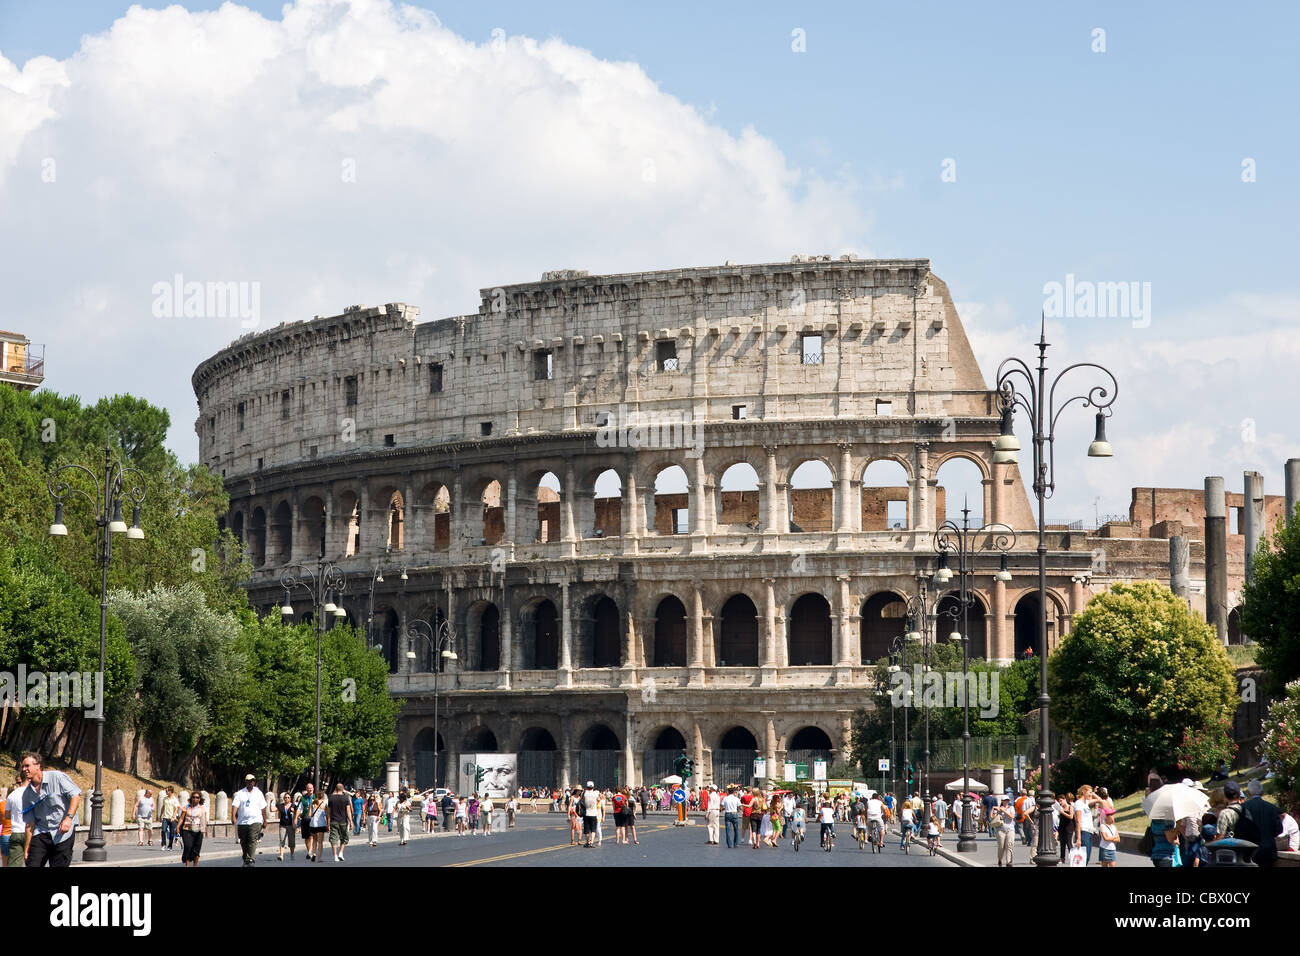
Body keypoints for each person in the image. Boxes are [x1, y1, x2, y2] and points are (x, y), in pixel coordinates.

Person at [20, 752, 81, 868]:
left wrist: (68, 819)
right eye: (23, 766)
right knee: (32, 864)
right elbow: (29, 824)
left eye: (27, 766)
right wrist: (27, 847)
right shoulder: (27, 795)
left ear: (38, 766)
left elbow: (76, 795)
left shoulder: (57, 777)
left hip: (62, 832)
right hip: (41, 832)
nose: (24, 769)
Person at [1234, 779, 1284, 867]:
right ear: (1262, 792)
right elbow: (1279, 830)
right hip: (1268, 851)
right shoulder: (1272, 808)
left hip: (1249, 851)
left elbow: (1238, 831)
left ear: (1249, 792)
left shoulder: (1242, 808)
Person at [232, 774, 267, 866]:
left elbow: (263, 808)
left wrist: (265, 820)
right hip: (242, 821)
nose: (250, 782)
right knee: (244, 841)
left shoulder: (258, 793)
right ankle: (246, 858)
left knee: (252, 838)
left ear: (254, 782)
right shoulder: (240, 793)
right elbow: (235, 805)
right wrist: (233, 817)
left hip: (256, 820)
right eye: (248, 781)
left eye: (252, 781)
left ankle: (251, 859)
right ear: (246, 782)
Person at [176, 790, 208, 867]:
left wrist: (204, 831)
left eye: (197, 797)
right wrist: (177, 827)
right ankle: (187, 865)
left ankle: (195, 865)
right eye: (193, 797)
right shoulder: (186, 807)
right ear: (191, 798)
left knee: (196, 850)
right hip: (187, 830)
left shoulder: (202, 809)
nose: (195, 799)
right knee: (188, 847)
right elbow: (181, 818)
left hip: (198, 831)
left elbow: (203, 821)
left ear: (200, 799)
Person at [327, 782, 353, 861]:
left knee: (333, 839)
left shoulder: (331, 798)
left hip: (333, 820)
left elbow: (328, 812)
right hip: (343, 821)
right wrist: (351, 821)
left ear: (335, 789)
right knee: (345, 838)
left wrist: (327, 823)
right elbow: (348, 811)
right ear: (343, 789)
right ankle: (341, 853)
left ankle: (335, 856)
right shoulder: (345, 798)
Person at [306, 789, 328, 861]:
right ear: (323, 796)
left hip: (313, 824)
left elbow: (309, 815)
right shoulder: (324, 805)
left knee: (314, 840)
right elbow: (327, 816)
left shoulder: (312, 803)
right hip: (321, 824)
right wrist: (328, 824)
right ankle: (319, 858)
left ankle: (314, 853)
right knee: (320, 842)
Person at [992, 797, 1015, 866]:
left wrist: (1004, 811)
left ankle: (1008, 861)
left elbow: (1011, 817)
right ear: (1002, 801)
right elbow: (993, 817)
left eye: (1007, 800)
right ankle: (1000, 859)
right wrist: (998, 811)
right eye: (1004, 800)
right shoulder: (998, 809)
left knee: (1009, 845)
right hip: (1000, 829)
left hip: (1010, 829)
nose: (1006, 802)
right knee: (1001, 846)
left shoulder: (1011, 808)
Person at [582, 781, 601, 848]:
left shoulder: (584, 793)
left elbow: (583, 801)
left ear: (587, 787)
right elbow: (599, 799)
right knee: (593, 829)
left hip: (586, 813)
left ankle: (587, 842)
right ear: (593, 787)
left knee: (586, 830)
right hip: (594, 813)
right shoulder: (596, 793)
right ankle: (592, 842)